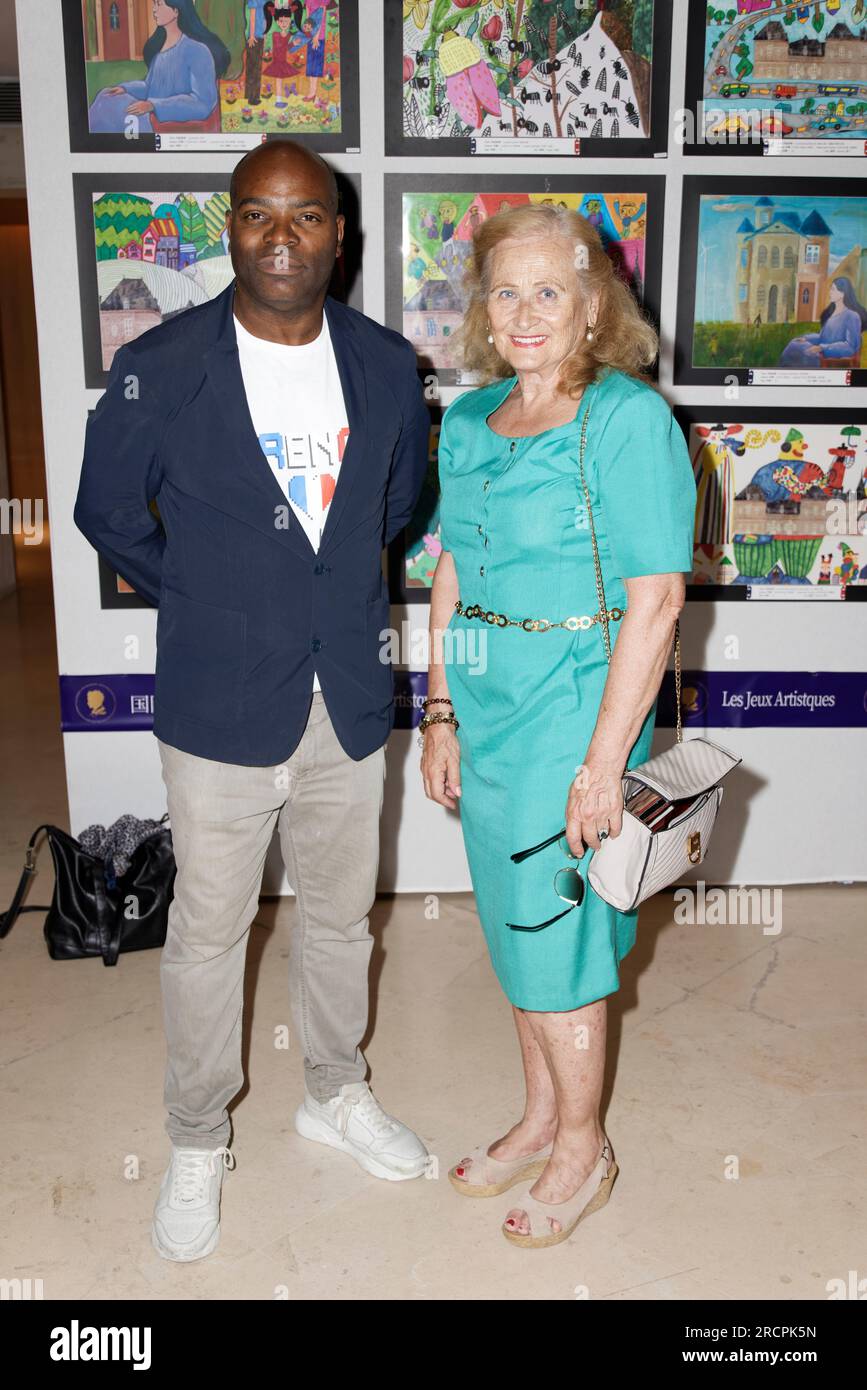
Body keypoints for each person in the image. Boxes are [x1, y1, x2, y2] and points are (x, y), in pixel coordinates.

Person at [75, 140, 431, 1263]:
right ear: (229, 227)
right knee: (206, 935)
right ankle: (193, 1140)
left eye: (307, 216)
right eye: (257, 215)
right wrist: (212, 584)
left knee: (338, 921)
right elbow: (103, 509)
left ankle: (335, 1089)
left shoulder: (383, 363)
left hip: (347, 697)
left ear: (341, 231)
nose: (282, 237)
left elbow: (400, 503)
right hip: (218, 703)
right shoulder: (163, 362)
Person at [420, 202, 696, 1248]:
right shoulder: (470, 417)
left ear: (592, 307)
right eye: (505, 290)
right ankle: (542, 1115)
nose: (525, 312)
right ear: (483, 311)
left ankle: (585, 1145)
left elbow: (658, 601)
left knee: (561, 949)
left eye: (550, 291)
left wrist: (601, 765)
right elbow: (451, 571)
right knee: (515, 932)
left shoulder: (625, 418)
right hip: (488, 714)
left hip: (574, 710)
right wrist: (439, 706)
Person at [88, 0, 229, 134]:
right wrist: (125, 88)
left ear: (176, 10)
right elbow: (150, 87)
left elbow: (203, 103)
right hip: (149, 110)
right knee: (106, 97)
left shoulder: (198, 50)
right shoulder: (160, 50)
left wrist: (154, 105)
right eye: (154, 3)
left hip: (159, 117)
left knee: (116, 115)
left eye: (159, 4)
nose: (154, 9)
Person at [778, 277, 866, 369]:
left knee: (802, 356)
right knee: (794, 344)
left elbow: (850, 346)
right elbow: (822, 337)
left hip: (831, 354)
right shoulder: (831, 314)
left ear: (842, 293)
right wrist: (806, 339)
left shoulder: (852, 316)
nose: (830, 292)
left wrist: (822, 348)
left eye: (833, 289)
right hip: (821, 350)